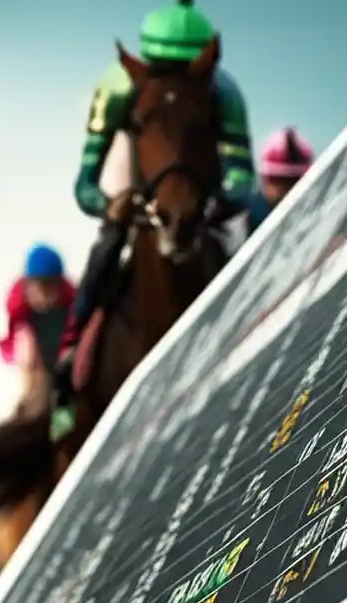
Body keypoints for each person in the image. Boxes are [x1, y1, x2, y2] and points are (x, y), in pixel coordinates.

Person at [66, 0, 254, 356]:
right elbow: (84, 187)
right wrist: (110, 206)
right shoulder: (116, 88)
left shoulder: (224, 93)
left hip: (201, 191)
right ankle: (72, 348)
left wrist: (218, 202)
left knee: (243, 251)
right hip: (134, 183)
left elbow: (243, 182)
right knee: (107, 247)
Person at [0, 243, 76, 376]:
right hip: (31, 360)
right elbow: (9, 350)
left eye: (49, 288)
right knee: (25, 343)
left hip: (63, 358)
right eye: (38, 287)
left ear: (59, 285)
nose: (43, 296)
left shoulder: (72, 299)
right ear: (27, 285)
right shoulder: (17, 303)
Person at [248, 126, 314, 235]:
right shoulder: (240, 231)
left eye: (294, 181)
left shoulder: (321, 224)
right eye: (279, 179)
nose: (287, 189)